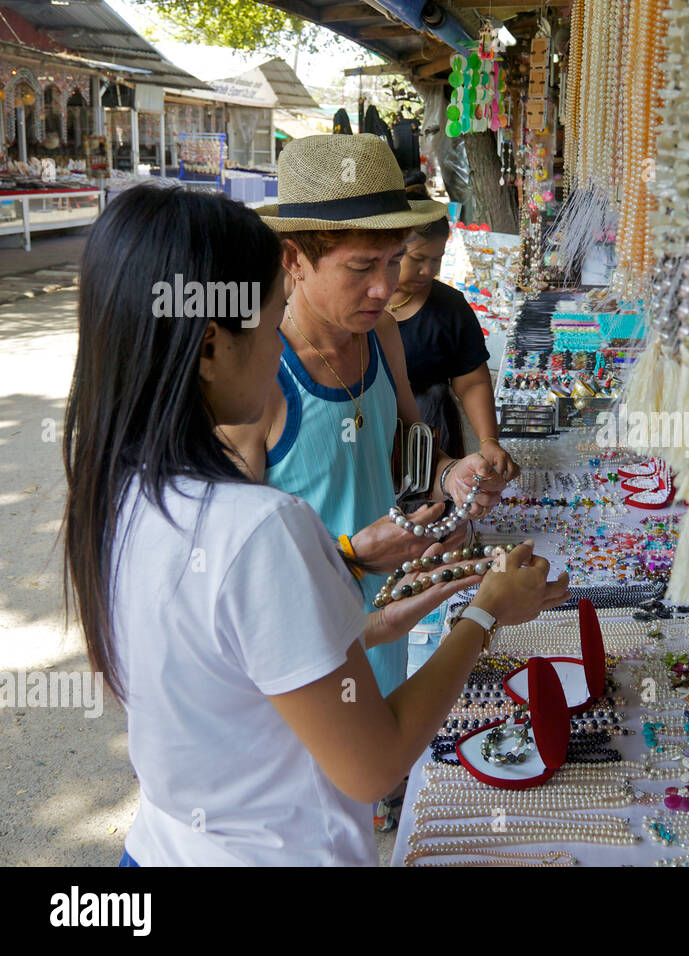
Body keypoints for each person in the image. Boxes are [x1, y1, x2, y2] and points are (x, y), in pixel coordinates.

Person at [62, 183, 569, 865]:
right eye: (273, 326)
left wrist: (366, 604)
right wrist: (485, 613)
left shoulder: (118, 495)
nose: (280, 350)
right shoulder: (258, 528)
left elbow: (234, 660)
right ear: (210, 346)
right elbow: (373, 764)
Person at [388, 207, 519, 480]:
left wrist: (488, 441)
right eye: (418, 259)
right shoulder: (360, 305)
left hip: (434, 438)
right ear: (389, 249)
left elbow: (472, 382)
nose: (428, 270)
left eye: (437, 260)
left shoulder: (450, 307)